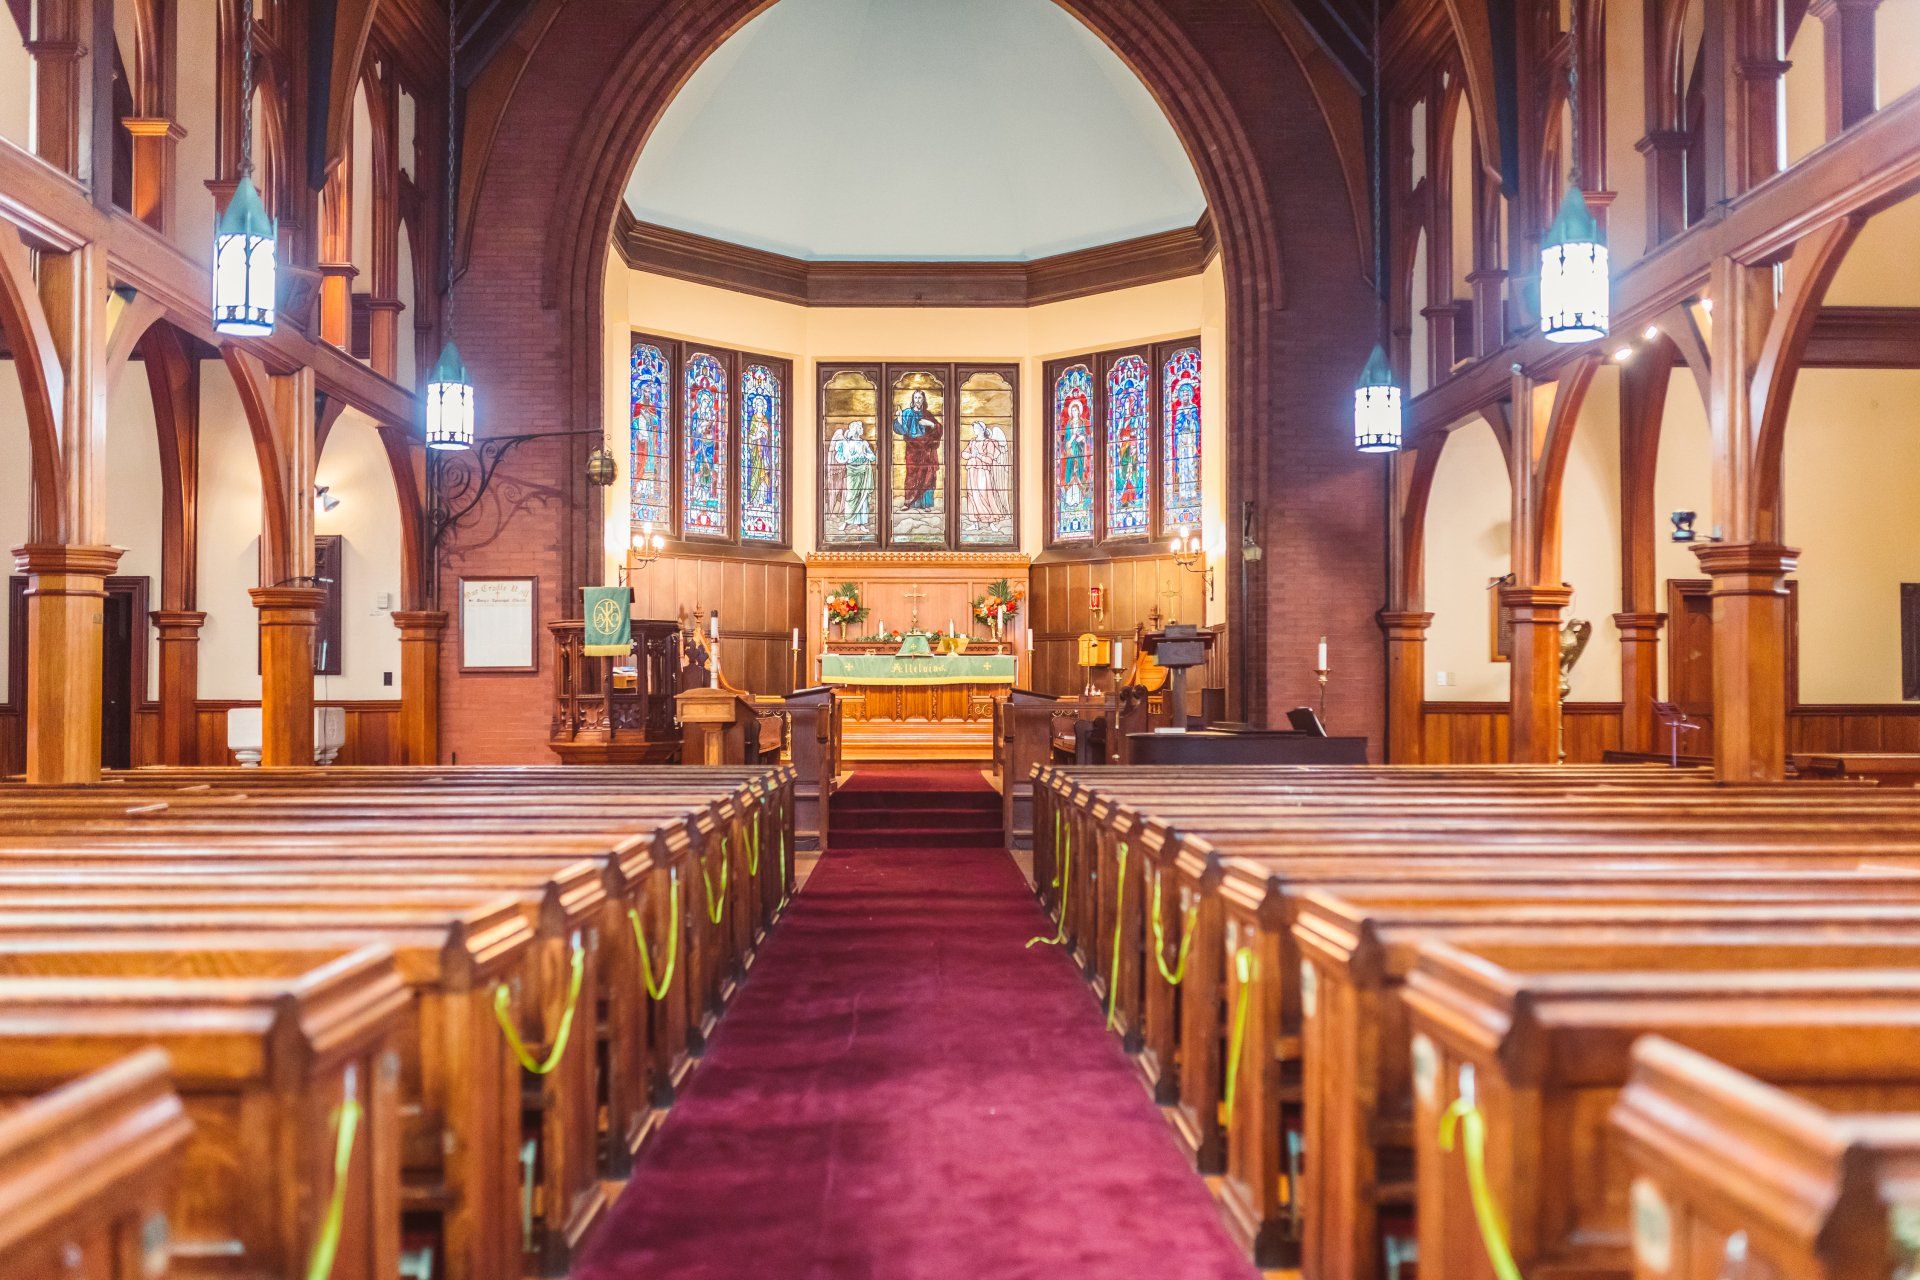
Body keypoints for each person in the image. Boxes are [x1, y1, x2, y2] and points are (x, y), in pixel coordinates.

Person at [892, 388, 943, 511]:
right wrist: (899, 418)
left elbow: (938, 429)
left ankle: (926, 504)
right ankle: (908, 502)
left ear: (923, 399)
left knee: (928, 475)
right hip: (912, 449)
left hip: (926, 450)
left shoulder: (927, 414)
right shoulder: (907, 413)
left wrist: (930, 424)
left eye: (920, 397)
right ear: (913, 399)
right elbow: (901, 430)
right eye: (916, 397)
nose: (918, 400)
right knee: (911, 475)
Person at [830, 421, 878, 536]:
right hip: (852, 471)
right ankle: (847, 521)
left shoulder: (864, 443)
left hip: (864, 472)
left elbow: (873, 457)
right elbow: (841, 458)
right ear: (855, 430)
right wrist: (855, 456)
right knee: (851, 497)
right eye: (860, 428)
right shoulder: (846, 443)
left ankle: (861, 524)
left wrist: (865, 454)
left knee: (863, 497)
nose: (862, 429)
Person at [962, 420, 1009, 527]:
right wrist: (971, 455)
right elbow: (964, 454)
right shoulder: (972, 442)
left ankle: (990, 522)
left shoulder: (989, 443)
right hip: (972, 470)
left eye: (976, 428)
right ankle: (975, 523)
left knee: (984, 494)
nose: (974, 430)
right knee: (972, 494)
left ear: (982, 429)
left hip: (982, 471)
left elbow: (989, 460)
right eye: (974, 428)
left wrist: (978, 455)